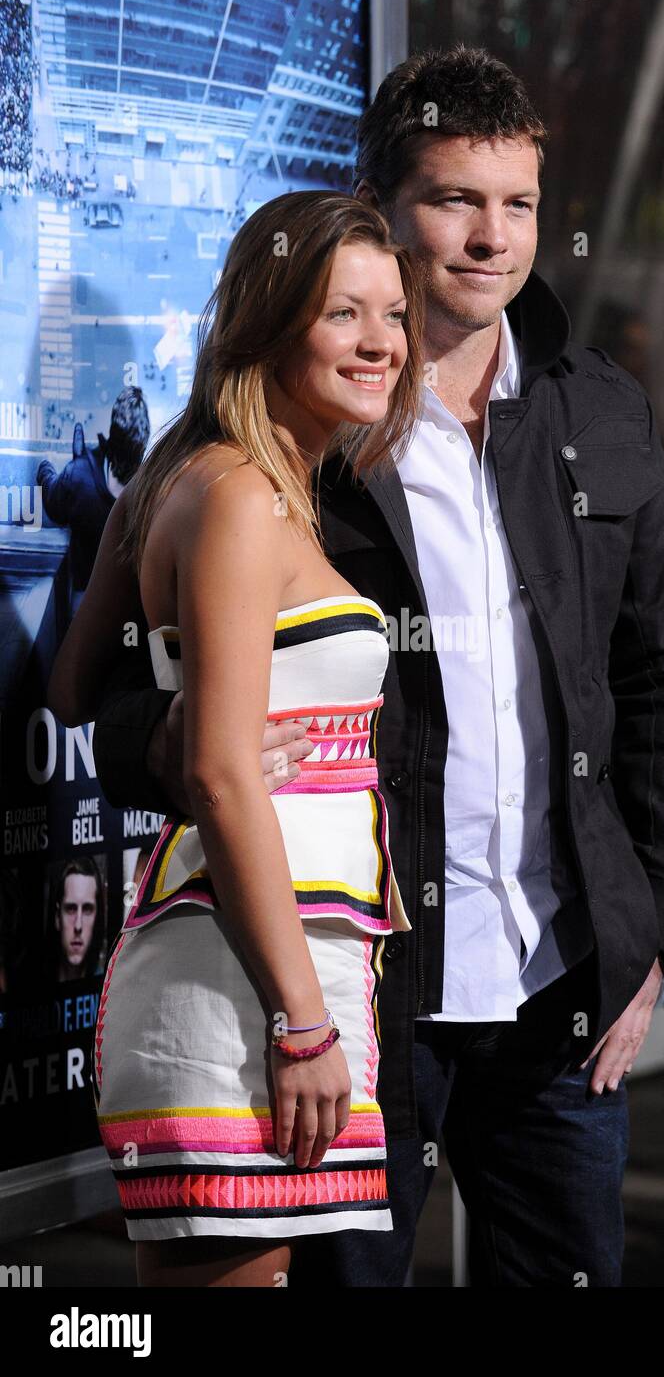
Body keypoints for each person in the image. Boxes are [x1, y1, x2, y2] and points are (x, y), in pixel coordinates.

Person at [90, 46, 664, 1287]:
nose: (492, 238)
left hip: (557, 996)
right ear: (385, 209)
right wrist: (167, 746)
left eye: (518, 203)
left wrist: (653, 935)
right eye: (454, 200)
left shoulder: (603, 413)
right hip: (362, 991)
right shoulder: (290, 431)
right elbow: (111, 685)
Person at [47, 191, 425, 1286]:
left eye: (392, 315)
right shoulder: (244, 498)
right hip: (246, 988)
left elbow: (78, 686)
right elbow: (220, 768)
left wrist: (164, 722)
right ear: (265, 321)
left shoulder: (195, 475)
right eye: (344, 314)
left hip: (269, 974)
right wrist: (303, 1026)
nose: (382, 344)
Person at [37, 389, 150, 609]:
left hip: (85, 600)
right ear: (143, 441)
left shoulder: (80, 474)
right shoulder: (151, 487)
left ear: (112, 430)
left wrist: (46, 469)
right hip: (133, 604)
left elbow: (54, 506)